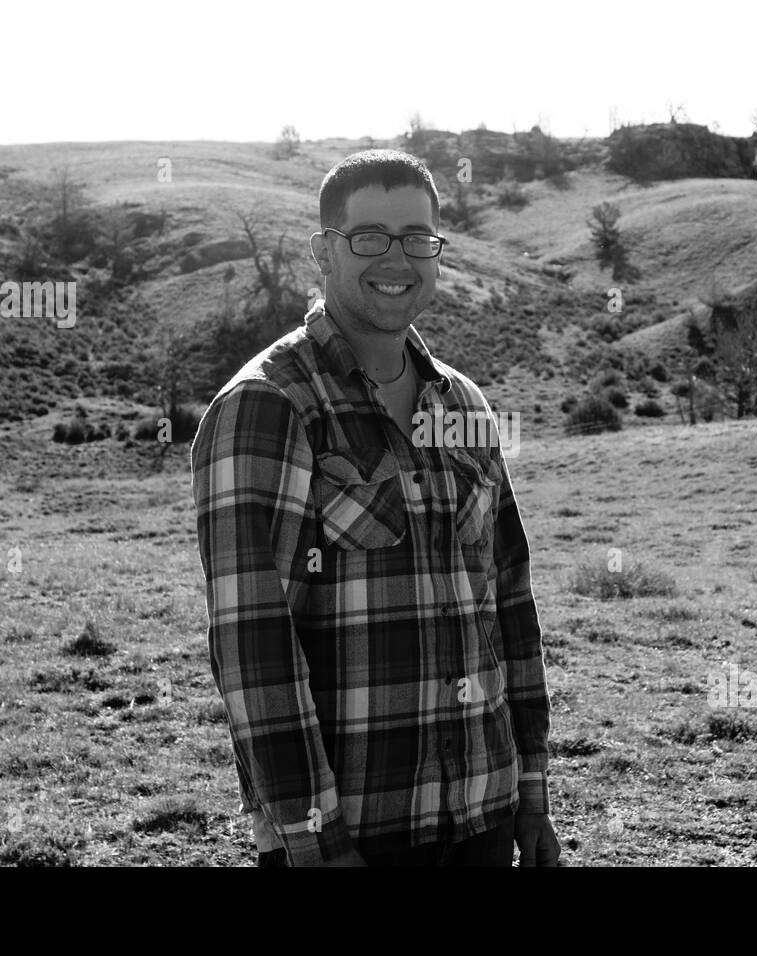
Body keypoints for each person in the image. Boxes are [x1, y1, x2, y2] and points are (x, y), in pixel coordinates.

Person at [190, 149, 559, 867]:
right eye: (370, 238)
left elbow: (510, 603)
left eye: (417, 238)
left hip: (482, 819)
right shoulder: (267, 407)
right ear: (323, 252)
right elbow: (254, 648)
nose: (397, 258)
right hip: (353, 836)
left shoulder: (464, 405)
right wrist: (314, 838)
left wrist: (531, 790)